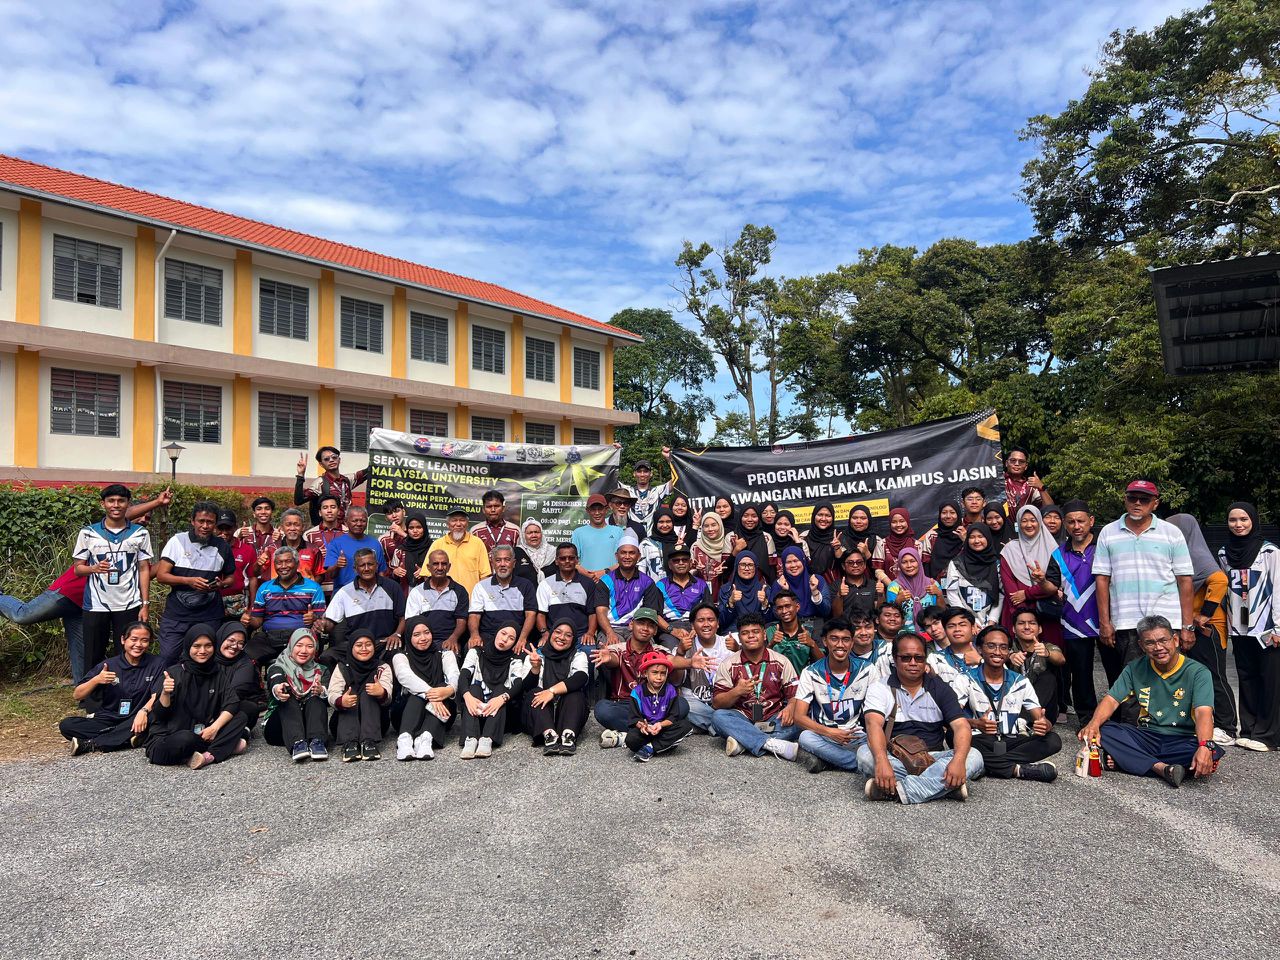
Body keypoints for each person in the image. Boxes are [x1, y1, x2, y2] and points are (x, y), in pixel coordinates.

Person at [1078, 615, 1225, 788]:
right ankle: (1162, 768)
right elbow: (1111, 700)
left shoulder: (1198, 672)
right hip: (1147, 736)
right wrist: (1093, 724)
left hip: (1182, 739)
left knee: (1212, 752)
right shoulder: (1134, 668)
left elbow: (1203, 712)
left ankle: (1127, 762)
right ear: (1141, 645)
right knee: (1105, 729)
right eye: (1150, 643)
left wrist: (1205, 746)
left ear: (1176, 640)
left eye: (1163, 640)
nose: (1158, 647)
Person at [857, 633, 983, 803]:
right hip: (895, 757)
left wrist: (958, 761)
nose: (913, 663)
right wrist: (882, 761)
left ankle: (899, 790)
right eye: (906, 658)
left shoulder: (940, 688)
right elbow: (873, 725)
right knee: (865, 754)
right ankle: (945, 787)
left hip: (933, 757)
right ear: (895, 659)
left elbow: (961, 726)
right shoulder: (880, 688)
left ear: (925, 660)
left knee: (973, 756)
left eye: (919, 658)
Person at [1093, 480, 1195, 682]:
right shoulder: (1108, 532)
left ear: (1155, 503)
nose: (1137, 503)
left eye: (1144, 499)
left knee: (1172, 684)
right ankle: (1133, 717)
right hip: (1126, 623)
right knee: (1134, 686)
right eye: (1132, 498)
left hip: (1167, 622)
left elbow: (1185, 581)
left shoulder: (1171, 533)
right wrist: (1105, 622)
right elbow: (1102, 580)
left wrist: (1187, 626)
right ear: (1125, 500)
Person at [1168, 513, 1237, 745]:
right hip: (1190, 626)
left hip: (1209, 629)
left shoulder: (1196, 554)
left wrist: (1204, 614)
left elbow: (1220, 580)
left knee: (1215, 675)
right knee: (1195, 675)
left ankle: (1227, 726)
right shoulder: (1181, 554)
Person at [1218, 502, 1280, 752]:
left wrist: (1278, 627)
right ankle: (1251, 729)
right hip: (1239, 628)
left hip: (1266, 628)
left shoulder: (1270, 552)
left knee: (1270, 680)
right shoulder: (1224, 553)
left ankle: (1270, 735)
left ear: (1253, 520)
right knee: (1246, 677)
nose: (1238, 524)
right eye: (1233, 520)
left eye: (1243, 519)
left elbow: (1278, 590)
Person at [964, 625, 1061, 781]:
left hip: (1012, 739)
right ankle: (1018, 769)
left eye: (1003, 647)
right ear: (979, 649)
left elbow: (1040, 718)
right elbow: (952, 718)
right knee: (953, 735)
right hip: (981, 739)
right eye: (991, 646)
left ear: (1008, 652)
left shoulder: (1020, 681)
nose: (997, 652)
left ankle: (985, 764)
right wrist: (976, 723)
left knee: (1053, 740)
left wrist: (1044, 724)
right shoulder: (966, 679)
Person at [72, 484, 154, 669]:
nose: (116, 505)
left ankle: (125, 694)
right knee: (93, 654)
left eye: (121, 501)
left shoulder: (140, 533)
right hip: (95, 604)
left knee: (127, 654)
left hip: (129, 603)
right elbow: (78, 569)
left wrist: (145, 604)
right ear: (103, 504)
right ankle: (92, 696)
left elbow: (144, 569)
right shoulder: (88, 533)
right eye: (111, 501)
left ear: (128, 504)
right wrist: (93, 568)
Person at [144, 625, 248, 769]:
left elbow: (232, 703)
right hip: (170, 738)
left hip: (203, 733)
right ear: (188, 646)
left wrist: (214, 728)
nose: (202, 651)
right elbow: (160, 715)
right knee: (186, 739)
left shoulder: (217, 672)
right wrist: (165, 694)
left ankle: (207, 756)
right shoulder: (174, 673)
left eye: (208, 646)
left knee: (241, 716)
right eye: (196, 646)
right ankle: (224, 746)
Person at [153, 502, 235, 667]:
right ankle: (168, 691)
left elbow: (231, 577)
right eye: (201, 521)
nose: (205, 526)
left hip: (210, 614)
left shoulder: (222, 546)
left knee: (207, 660)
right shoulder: (177, 541)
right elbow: (161, 576)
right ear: (192, 521)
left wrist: (221, 584)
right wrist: (188, 581)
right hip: (177, 614)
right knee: (168, 658)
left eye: (210, 522)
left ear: (215, 524)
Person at [60, 621, 160, 755]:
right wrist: (97, 680)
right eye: (134, 639)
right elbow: (77, 695)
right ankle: (127, 737)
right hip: (110, 718)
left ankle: (93, 744)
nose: (138, 645)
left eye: (144, 640)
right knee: (67, 725)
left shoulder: (157, 664)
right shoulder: (109, 665)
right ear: (123, 639)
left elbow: (157, 696)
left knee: (155, 716)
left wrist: (143, 711)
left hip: (138, 717)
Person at [709, 614, 800, 760]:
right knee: (718, 717)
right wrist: (737, 691)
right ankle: (770, 743)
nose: (751, 636)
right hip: (742, 717)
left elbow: (796, 694)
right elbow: (717, 703)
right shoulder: (728, 664)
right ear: (740, 637)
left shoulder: (781, 661)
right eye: (745, 633)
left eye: (755, 632)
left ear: (764, 635)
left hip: (773, 717)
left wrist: (790, 707)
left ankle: (743, 743)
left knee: (801, 717)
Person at [790, 619, 875, 774]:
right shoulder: (810, 672)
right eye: (834, 639)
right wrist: (831, 733)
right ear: (825, 641)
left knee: (873, 745)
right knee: (805, 737)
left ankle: (831, 760)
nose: (840, 645)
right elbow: (798, 717)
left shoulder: (867, 669)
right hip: (825, 735)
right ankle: (859, 765)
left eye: (846, 639)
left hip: (856, 735)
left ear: (852, 642)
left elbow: (875, 711)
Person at [1045, 500, 1102, 720]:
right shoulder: (1058, 554)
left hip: (1107, 619)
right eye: (1071, 522)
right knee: (1081, 675)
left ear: (1091, 521)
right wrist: (1041, 581)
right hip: (1073, 621)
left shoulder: (1104, 547)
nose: (1076, 526)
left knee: (1116, 672)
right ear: (1065, 525)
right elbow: (1051, 585)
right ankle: (1087, 718)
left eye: (1081, 521)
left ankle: (1117, 720)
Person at [1, 565, 90, 684]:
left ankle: (84, 694)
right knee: (23, 615)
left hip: (83, 604)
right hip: (67, 592)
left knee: (80, 651)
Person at [244, 546, 327, 666]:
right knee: (247, 656)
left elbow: (321, 620)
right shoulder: (265, 588)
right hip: (270, 636)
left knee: (303, 656)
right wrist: (249, 620)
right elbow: (257, 621)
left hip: (301, 636)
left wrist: (314, 618)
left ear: (297, 563)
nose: (283, 566)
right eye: (279, 563)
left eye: (288, 561)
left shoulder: (313, 587)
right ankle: (257, 684)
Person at [390, 617, 459, 760]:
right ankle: (405, 739)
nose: (423, 638)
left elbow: (454, 675)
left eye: (426, 633)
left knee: (442, 687)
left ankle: (426, 738)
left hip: (441, 713)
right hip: (405, 715)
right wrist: (432, 695)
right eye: (416, 635)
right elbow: (405, 677)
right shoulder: (400, 656)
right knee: (416, 692)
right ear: (408, 636)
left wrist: (449, 690)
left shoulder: (444, 653)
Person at [458, 624, 530, 759]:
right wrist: (467, 696)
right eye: (503, 633)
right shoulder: (477, 651)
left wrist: (501, 698)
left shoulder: (515, 658)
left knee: (501, 689)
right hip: (475, 709)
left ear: (515, 643)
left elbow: (518, 683)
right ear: (497, 632)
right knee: (474, 688)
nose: (504, 640)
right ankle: (471, 739)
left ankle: (487, 739)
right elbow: (463, 675)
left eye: (511, 638)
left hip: (500, 715)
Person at [594, 607, 664, 743]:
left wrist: (687, 659)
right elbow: (613, 658)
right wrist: (609, 659)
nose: (645, 628)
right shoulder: (618, 647)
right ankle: (655, 733)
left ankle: (629, 736)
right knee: (602, 709)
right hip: (625, 704)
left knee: (681, 705)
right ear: (631, 625)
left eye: (650, 626)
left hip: (653, 704)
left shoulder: (658, 650)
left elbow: (673, 661)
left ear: (655, 631)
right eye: (641, 623)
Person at [998, 505, 1064, 649]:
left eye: (1033, 520)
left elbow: (1055, 584)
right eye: (1024, 521)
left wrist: (1027, 594)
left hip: (1047, 613)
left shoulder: (1054, 549)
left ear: (1039, 522)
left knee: (1051, 653)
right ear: (1018, 524)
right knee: (1019, 656)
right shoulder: (1009, 550)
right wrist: (1025, 619)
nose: (1028, 525)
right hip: (1017, 612)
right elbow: (1011, 591)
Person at [322, 548, 406, 660]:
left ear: (376, 565)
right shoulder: (344, 592)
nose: (366, 568)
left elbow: (403, 617)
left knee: (398, 656)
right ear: (355, 569)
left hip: (384, 643)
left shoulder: (392, 587)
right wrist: (322, 624)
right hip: (356, 645)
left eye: (370, 564)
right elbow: (330, 623)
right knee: (328, 656)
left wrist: (397, 634)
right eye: (362, 565)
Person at [525, 617, 590, 755]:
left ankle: (568, 735)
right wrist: (535, 669)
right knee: (534, 692)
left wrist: (551, 691)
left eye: (568, 635)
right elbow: (525, 687)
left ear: (573, 639)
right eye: (558, 632)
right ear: (551, 633)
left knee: (576, 693)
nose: (562, 637)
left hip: (567, 709)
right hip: (540, 713)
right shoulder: (537, 655)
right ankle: (549, 735)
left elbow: (581, 678)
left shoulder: (578, 655)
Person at [263, 628, 330, 762]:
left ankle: (317, 742)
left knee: (315, 696)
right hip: (279, 729)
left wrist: (322, 690)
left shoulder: (321, 670)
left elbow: (332, 697)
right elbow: (275, 680)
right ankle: (297, 744)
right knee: (287, 695)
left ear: (315, 649)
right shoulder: (278, 666)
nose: (304, 651)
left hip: (308, 727)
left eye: (309, 646)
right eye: (299, 645)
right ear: (291, 645)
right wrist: (278, 689)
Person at [327, 629, 393, 761]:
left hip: (376, 724)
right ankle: (350, 743)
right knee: (352, 695)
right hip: (343, 725)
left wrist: (381, 693)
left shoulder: (383, 667)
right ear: (351, 647)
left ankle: (369, 742)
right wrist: (341, 701)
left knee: (368, 693)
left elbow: (388, 694)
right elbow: (332, 693)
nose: (364, 648)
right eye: (358, 645)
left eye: (368, 644)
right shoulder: (342, 667)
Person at [671, 602, 734, 733]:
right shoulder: (684, 646)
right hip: (695, 704)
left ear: (718, 623)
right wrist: (681, 653)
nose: (706, 624)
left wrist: (739, 650)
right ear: (693, 625)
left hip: (722, 702)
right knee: (678, 704)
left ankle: (711, 726)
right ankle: (725, 727)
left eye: (711, 620)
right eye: (701, 620)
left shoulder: (728, 644)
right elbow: (675, 681)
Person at [624, 649, 693, 762]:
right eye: (655, 673)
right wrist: (643, 727)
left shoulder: (671, 691)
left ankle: (650, 747)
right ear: (645, 673)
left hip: (662, 728)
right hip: (646, 731)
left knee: (685, 726)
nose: (659, 677)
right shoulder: (637, 692)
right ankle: (661, 746)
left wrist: (660, 725)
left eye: (663, 673)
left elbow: (673, 717)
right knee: (631, 739)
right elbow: (634, 718)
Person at [596, 534, 665, 646]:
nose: (627, 556)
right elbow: (601, 611)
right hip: (611, 628)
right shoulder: (605, 581)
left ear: (638, 556)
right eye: (623, 552)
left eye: (632, 553)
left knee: (644, 655)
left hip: (636, 629)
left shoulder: (647, 582)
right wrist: (609, 633)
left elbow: (649, 613)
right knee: (611, 654)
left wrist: (638, 633)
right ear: (616, 556)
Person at [468, 544, 537, 652]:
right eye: (498, 560)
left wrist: (522, 638)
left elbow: (531, 614)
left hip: (515, 637)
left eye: (507, 560)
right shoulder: (481, 586)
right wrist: (474, 635)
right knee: (472, 650)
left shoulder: (526, 585)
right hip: (489, 635)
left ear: (514, 563)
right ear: (493, 564)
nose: (502, 564)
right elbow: (474, 615)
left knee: (527, 653)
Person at [404, 549, 471, 654]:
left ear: (449, 567)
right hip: (424, 640)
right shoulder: (416, 592)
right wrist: (423, 640)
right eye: (435, 564)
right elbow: (411, 623)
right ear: (428, 567)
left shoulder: (460, 591)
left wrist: (454, 638)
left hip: (449, 641)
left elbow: (461, 621)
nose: (440, 568)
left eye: (444, 564)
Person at [535, 543, 599, 647]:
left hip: (580, 637)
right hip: (554, 637)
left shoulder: (588, 584)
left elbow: (592, 614)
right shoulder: (545, 584)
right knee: (539, 657)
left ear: (577, 560)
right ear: (556, 561)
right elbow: (541, 614)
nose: (567, 561)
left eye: (571, 558)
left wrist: (590, 633)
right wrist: (545, 633)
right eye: (563, 558)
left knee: (591, 656)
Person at [1009, 609, 1066, 721]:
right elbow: (992, 655)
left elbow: (1061, 659)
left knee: (1048, 677)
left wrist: (1047, 653)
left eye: (1032, 623)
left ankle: (1022, 721)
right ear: (1013, 629)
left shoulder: (1046, 646)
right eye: (1021, 623)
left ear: (1039, 629)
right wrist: (1009, 656)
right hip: (1012, 705)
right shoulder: (1007, 647)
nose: (1027, 627)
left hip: (1042, 711)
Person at [295, 445, 369, 525]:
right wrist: (300, 475)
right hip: (328, 531)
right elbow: (299, 500)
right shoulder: (320, 483)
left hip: (347, 530)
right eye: (326, 459)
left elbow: (369, 471)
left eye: (334, 457)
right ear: (321, 464)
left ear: (339, 460)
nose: (331, 460)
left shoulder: (347, 479)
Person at [946, 523, 1002, 628]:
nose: (976, 541)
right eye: (972, 537)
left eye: (981, 536)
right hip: (965, 624)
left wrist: (991, 622)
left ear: (988, 538)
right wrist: (968, 620)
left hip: (990, 625)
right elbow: (952, 594)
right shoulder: (956, 564)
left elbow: (1001, 595)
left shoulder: (997, 564)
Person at [771, 544, 831, 638]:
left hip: (816, 627)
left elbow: (826, 611)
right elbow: (775, 614)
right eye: (788, 562)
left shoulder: (817, 580)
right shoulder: (779, 583)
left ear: (803, 561)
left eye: (796, 560)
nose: (793, 565)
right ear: (783, 564)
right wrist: (784, 593)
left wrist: (815, 592)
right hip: (789, 629)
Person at [426, 507, 491, 593]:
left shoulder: (477, 543)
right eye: (454, 520)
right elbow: (427, 574)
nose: (458, 524)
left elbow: (485, 575)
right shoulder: (437, 544)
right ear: (448, 524)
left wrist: (480, 598)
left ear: (467, 523)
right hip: (443, 600)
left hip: (471, 600)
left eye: (462, 520)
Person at [323, 505, 384, 592]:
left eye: (363, 521)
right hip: (343, 594)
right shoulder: (335, 544)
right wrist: (337, 565)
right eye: (355, 520)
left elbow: (381, 572)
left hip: (370, 594)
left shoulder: (375, 543)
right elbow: (331, 575)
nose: (359, 524)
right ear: (346, 522)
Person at [214, 622, 261, 733]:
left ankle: (236, 731)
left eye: (241, 643)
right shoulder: (207, 657)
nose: (235, 646)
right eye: (231, 640)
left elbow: (236, 692)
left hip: (231, 705)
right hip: (205, 704)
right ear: (221, 638)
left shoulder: (245, 662)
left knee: (250, 708)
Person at [927, 607, 982, 701]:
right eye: (951, 626)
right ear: (945, 630)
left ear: (973, 628)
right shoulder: (934, 658)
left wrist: (981, 662)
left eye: (962, 625)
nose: (957, 629)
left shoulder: (987, 656)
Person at [216, 509, 258, 626]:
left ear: (235, 528)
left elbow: (252, 579)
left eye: (228, 528)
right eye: (220, 528)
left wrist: (251, 608)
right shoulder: (208, 548)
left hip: (238, 604)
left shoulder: (247, 549)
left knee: (238, 639)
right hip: (213, 603)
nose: (224, 532)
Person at [619, 449, 676, 535]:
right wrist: (614, 453)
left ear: (651, 474)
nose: (642, 474)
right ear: (634, 474)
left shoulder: (658, 491)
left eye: (645, 471)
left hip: (652, 538)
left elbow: (676, 479)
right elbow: (609, 477)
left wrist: (669, 459)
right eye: (639, 471)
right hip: (631, 538)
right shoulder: (627, 490)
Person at [884, 546, 939, 632]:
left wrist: (939, 594)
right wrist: (898, 601)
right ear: (899, 565)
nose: (909, 565)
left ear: (919, 562)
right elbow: (889, 617)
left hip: (930, 635)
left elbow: (941, 612)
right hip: (903, 636)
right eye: (904, 562)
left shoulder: (933, 584)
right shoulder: (894, 587)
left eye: (912, 561)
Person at [766, 590, 822, 672]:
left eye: (788, 606)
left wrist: (812, 644)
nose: (784, 611)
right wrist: (771, 644)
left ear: (797, 607)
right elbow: (760, 664)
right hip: (777, 682)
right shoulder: (769, 630)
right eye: (780, 608)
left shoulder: (811, 630)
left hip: (804, 682)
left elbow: (823, 664)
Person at [571, 494, 624, 581]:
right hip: (586, 582)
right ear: (587, 510)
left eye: (600, 509)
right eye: (593, 509)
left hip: (611, 582)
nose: (597, 513)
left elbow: (622, 561)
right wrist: (589, 575)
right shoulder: (578, 533)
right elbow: (573, 561)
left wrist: (605, 572)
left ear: (606, 509)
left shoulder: (618, 532)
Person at [303, 494, 345, 599]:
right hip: (317, 589)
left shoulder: (348, 533)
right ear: (320, 512)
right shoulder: (309, 535)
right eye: (325, 508)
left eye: (333, 507)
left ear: (339, 511)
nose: (329, 511)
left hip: (343, 589)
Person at [267, 508, 325, 583]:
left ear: (303, 527)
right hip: (278, 593)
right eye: (288, 525)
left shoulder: (313, 549)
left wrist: (310, 588)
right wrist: (259, 563)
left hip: (304, 593)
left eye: (296, 525)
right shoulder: (272, 549)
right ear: (282, 527)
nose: (292, 528)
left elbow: (320, 574)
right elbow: (256, 572)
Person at [717, 553, 770, 631]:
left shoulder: (764, 589)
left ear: (756, 568)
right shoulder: (726, 589)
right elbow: (721, 622)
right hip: (734, 632)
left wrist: (765, 604)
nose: (747, 568)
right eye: (743, 564)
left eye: (750, 565)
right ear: (736, 566)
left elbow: (770, 621)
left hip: (757, 633)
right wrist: (730, 603)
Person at [918, 502, 964, 581]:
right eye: (944, 513)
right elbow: (926, 564)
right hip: (936, 586)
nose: (948, 516)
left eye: (952, 512)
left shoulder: (964, 534)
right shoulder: (932, 536)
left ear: (958, 514)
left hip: (962, 585)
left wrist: (965, 540)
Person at [691, 512, 733, 596]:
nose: (710, 529)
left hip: (727, 596)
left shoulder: (729, 545)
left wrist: (725, 571)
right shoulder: (696, 547)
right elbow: (688, 573)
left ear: (720, 525)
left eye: (714, 525)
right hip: (700, 596)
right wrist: (696, 571)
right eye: (706, 526)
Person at [831, 548, 879, 622]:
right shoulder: (836, 586)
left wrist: (881, 595)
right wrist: (839, 595)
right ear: (843, 566)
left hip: (868, 628)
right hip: (845, 629)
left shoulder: (874, 585)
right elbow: (836, 616)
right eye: (850, 562)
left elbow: (879, 613)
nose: (855, 565)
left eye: (859, 562)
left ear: (865, 565)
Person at [872, 507, 916, 585]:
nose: (898, 525)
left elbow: (920, 570)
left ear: (907, 522)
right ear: (890, 523)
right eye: (894, 522)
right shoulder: (882, 544)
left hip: (913, 589)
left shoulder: (916, 545)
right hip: (890, 591)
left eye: (902, 521)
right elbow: (878, 571)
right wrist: (892, 587)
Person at [1002, 445, 1052, 512]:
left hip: (1024, 522)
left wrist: (1041, 488)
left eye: (1021, 461)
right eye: (1013, 460)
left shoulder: (1031, 487)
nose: (1017, 464)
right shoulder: (998, 480)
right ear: (1006, 463)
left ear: (1026, 466)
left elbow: (1050, 509)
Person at [471, 489, 521, 555]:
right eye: (489, 507)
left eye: (496, 506)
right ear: (483, 509)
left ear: (503, 508)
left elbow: (519, 557)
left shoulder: (515, 531)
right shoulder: (475, 531)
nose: (493, 510)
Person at [234, 496, 278, 569]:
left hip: (271, 579)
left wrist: (279, 541)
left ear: (272, 513)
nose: (263, 512)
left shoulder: (279, 534)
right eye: (259, 509)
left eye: (267, 509)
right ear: (254, 514)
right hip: (247, 578)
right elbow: (230, 553)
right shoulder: (242, 532)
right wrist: (239, 538)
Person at [639, 507, 681, 581]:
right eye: (661, 522)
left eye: (668, 521)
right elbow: (641, 570)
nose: (665, 525)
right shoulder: (646, 544)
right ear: (655, 523)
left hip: (676, 589)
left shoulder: (679, 543)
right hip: (653, 589)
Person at [396, 511, 433, 594]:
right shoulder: (400, 550)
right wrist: (395, 571)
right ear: (407, 529)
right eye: (411, 528)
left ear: (424, 528)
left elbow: (440, 568)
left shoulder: (433, 547)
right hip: (404, 592)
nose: (415, 531)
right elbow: (390, 571)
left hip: (429, 591)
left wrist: (425, 571)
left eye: (419, 527)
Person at [732, 504, 776, 574]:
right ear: (740, 517)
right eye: (745, 516)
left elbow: (772, 569)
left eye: (754, 516)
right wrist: (736, 550)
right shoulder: (732, 537)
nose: (750, 519)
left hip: (761, 583)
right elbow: (725, 569)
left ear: (759, 517)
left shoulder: (766, 537)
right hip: (736, 583)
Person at [835, 504, 879, 571]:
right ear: (850, 519)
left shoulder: (876, 540)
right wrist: (837, 550)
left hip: (871, 580)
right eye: (855, 518)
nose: (858, 521)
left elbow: (879, 569)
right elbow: (838, 567)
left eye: (863, 518)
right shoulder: (840, 538)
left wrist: (867, 553)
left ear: (869, 520)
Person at [802, 503, 839, 580]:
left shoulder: (838, 537)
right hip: (808, 582)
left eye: (828, 516)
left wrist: (838, 548)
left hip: (832, 583)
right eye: (820, 515)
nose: (823, 519)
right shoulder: (804, 537)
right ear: (813, 516)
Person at [377, 498, 408, 589]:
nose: (394, 515)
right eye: (390, 513)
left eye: (397, 511)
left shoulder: (414, 534)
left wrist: (402, 533)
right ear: (386, 518)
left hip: (413, 583)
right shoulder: (383, 539)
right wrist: (392, 571)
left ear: (404, 512)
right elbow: (380, 564)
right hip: (391, 584)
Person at [517, 517, 555, 582]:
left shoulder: (553, 552)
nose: (534, 535)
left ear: (542, 534)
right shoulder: (517, 552)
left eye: (537, 532)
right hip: (525, 591)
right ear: (523, 535)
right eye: (530, 533)